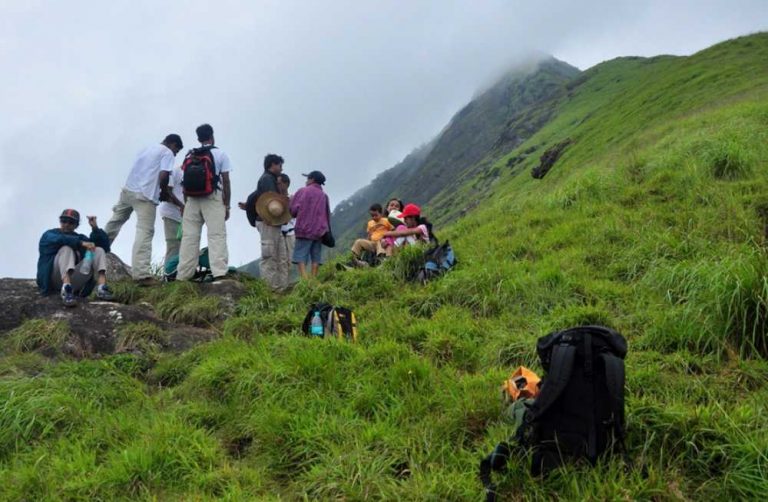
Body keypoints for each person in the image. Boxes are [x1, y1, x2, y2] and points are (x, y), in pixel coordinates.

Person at [104, 133, 183, 285]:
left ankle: (97, 250)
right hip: (145, 196)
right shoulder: (166, 152)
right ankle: (141, 274)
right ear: (172, 144)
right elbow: (164, 175)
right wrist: (164, 190)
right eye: (176, 150)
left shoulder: (146, 148)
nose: (175, 153)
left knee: (115, 221)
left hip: (128, 190)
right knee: (145, 231)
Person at [177, 124, 232, 282]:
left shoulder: (190, 155)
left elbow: (184, 183)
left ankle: (184, 274)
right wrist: (226, 205)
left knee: (189, 237)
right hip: (212, 197)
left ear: (198, 138)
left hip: (192, 199)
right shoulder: (220, 154)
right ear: (212, 136)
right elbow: (226, 182)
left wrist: (187, 203)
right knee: (216, 235)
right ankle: (219, 272)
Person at [37, 209, 114, 306]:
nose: (67, 224)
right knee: (66, 248)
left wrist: (95, 228)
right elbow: (61, 239)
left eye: (71, 222)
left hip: (76, 279)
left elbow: (105, 247)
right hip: (53, 279)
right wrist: (80, 243)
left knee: (98, 250)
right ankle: (66, 290)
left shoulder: (80, 238)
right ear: (60, 221)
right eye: (64, 221)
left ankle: (102, 288)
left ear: (76, 225)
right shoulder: (49, 235)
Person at [239, 154, 285, 290]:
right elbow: (271, 200)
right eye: (280, 165)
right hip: (268, 222)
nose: (281, 169)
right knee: (270, 256)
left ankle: (280, 287)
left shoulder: (268, 179)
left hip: (271, 222)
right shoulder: (267, 180)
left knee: (278, 256)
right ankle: (272, 289)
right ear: (272, 165)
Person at [290, 171, 330, 279]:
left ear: (312, 179)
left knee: (300, 255)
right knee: (315, 257)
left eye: (307, 179)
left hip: (304, 229)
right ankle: (313, 279)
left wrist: (291, 201)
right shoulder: (324, 195)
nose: (306, 181)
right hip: (319, 231)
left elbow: (293, 211)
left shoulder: (303, 191)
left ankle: (305, 280)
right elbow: (326, 214)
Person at [157, 165, 184, 271]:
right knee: (174, 246)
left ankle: (178, 273)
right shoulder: (176, 171)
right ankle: (168, 274)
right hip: (171, 214)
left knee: (184, 247)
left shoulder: (196, 173)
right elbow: (166, 193)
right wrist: (182, 206)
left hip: (183, 216)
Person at [276, 173, 296, 290]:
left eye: (280, 183)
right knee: (281, 260)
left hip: (291, 232)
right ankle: (283, 285)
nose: (278, 185)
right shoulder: (274, 199)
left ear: (286, 184)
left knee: (291, 260)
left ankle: (287, 284)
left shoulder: (292, 198)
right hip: (280, 232)